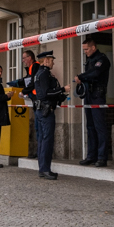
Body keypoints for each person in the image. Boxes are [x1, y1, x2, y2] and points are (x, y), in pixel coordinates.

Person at [75, 36, 112, 167]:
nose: (85, 51)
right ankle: (91, 156)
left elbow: (95, 74)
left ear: (93, 47)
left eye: (86, 49)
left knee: (99, 127)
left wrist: (81, 77)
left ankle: (102, 157)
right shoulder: (89, 60)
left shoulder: (102, 59)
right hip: (89, 95)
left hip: (97, 95)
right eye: (84, 49)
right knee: (90, 126)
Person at [32, 51, 64, 179]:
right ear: (45, 61)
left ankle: (43, 169)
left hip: (42, 110)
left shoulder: (41, 73)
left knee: (42, 139)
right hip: (46, 110)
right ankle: (45, 169)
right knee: (47, 140)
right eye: (51, 60)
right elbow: (46, 93)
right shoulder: (44, 73)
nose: (53, 62)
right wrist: (62, 90)